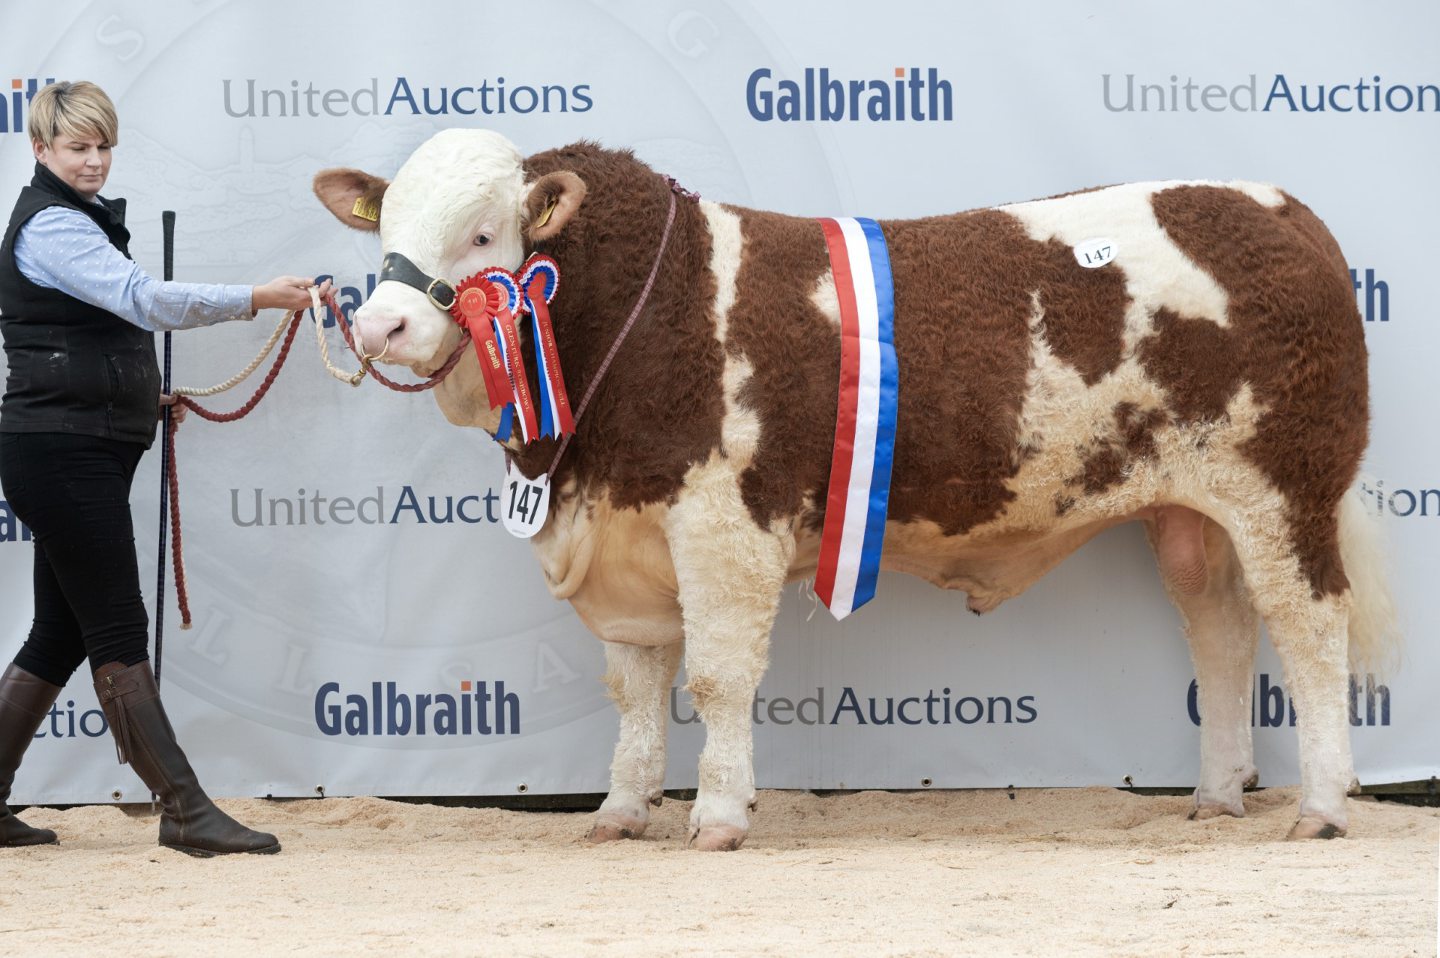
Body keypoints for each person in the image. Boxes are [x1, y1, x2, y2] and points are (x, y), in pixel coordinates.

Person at [0, 80, 329, 856]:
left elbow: (80, 340)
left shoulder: (71, 221)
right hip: (63, 454)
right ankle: (184, 809)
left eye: (103, 146)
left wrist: (142, 398)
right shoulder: (53, 225)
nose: (94, 161)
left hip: (72, 446)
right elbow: (141, 300)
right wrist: (256, 296)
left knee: (58, 632)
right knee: (116, 627)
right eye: (77, 147)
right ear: (40, 149)